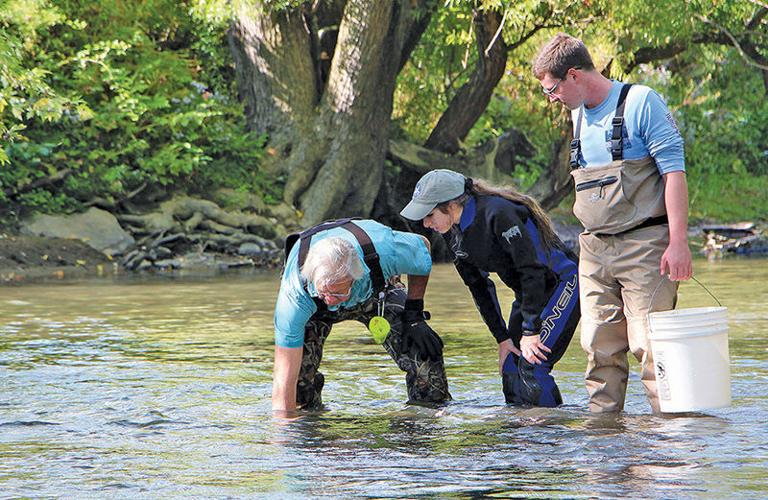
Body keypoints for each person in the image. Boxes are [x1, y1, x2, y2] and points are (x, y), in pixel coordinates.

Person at [533, 33, 693, 413]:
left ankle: (670, 444)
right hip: (594, 250)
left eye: (552, 89)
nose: (551, 98)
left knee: (651, 348)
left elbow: (674, 173)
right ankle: (604, 447)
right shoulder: (575, 115)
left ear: (573, 75)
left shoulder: (642, 103)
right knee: (598, 349)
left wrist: (679, 242)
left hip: (645, 247)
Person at [401, 169, 580, 407]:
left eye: (429, 215)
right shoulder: (452, 233)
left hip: (563, 283)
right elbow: (479, 286)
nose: (425, 223)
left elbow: (532, 271)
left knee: (532, 366)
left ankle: (548, 435)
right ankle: (519, 437)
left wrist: (530, 331)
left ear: (451, 205)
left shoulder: (498, 213)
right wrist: (503, 338)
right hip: (528, 294)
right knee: (510, 367)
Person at [272, 218, 451, 414]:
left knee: (424, 352)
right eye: (326, 292)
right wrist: (285, 434)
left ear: (356, 276)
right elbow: (282, 380)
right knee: (296, 379)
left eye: (338, 293)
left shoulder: (385, 252)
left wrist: (414, 313)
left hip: (376, 292)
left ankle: (426, 421)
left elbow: (422, 247)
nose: (331, 300)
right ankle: (312, 423)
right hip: (314, 308)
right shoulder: (295, 295)